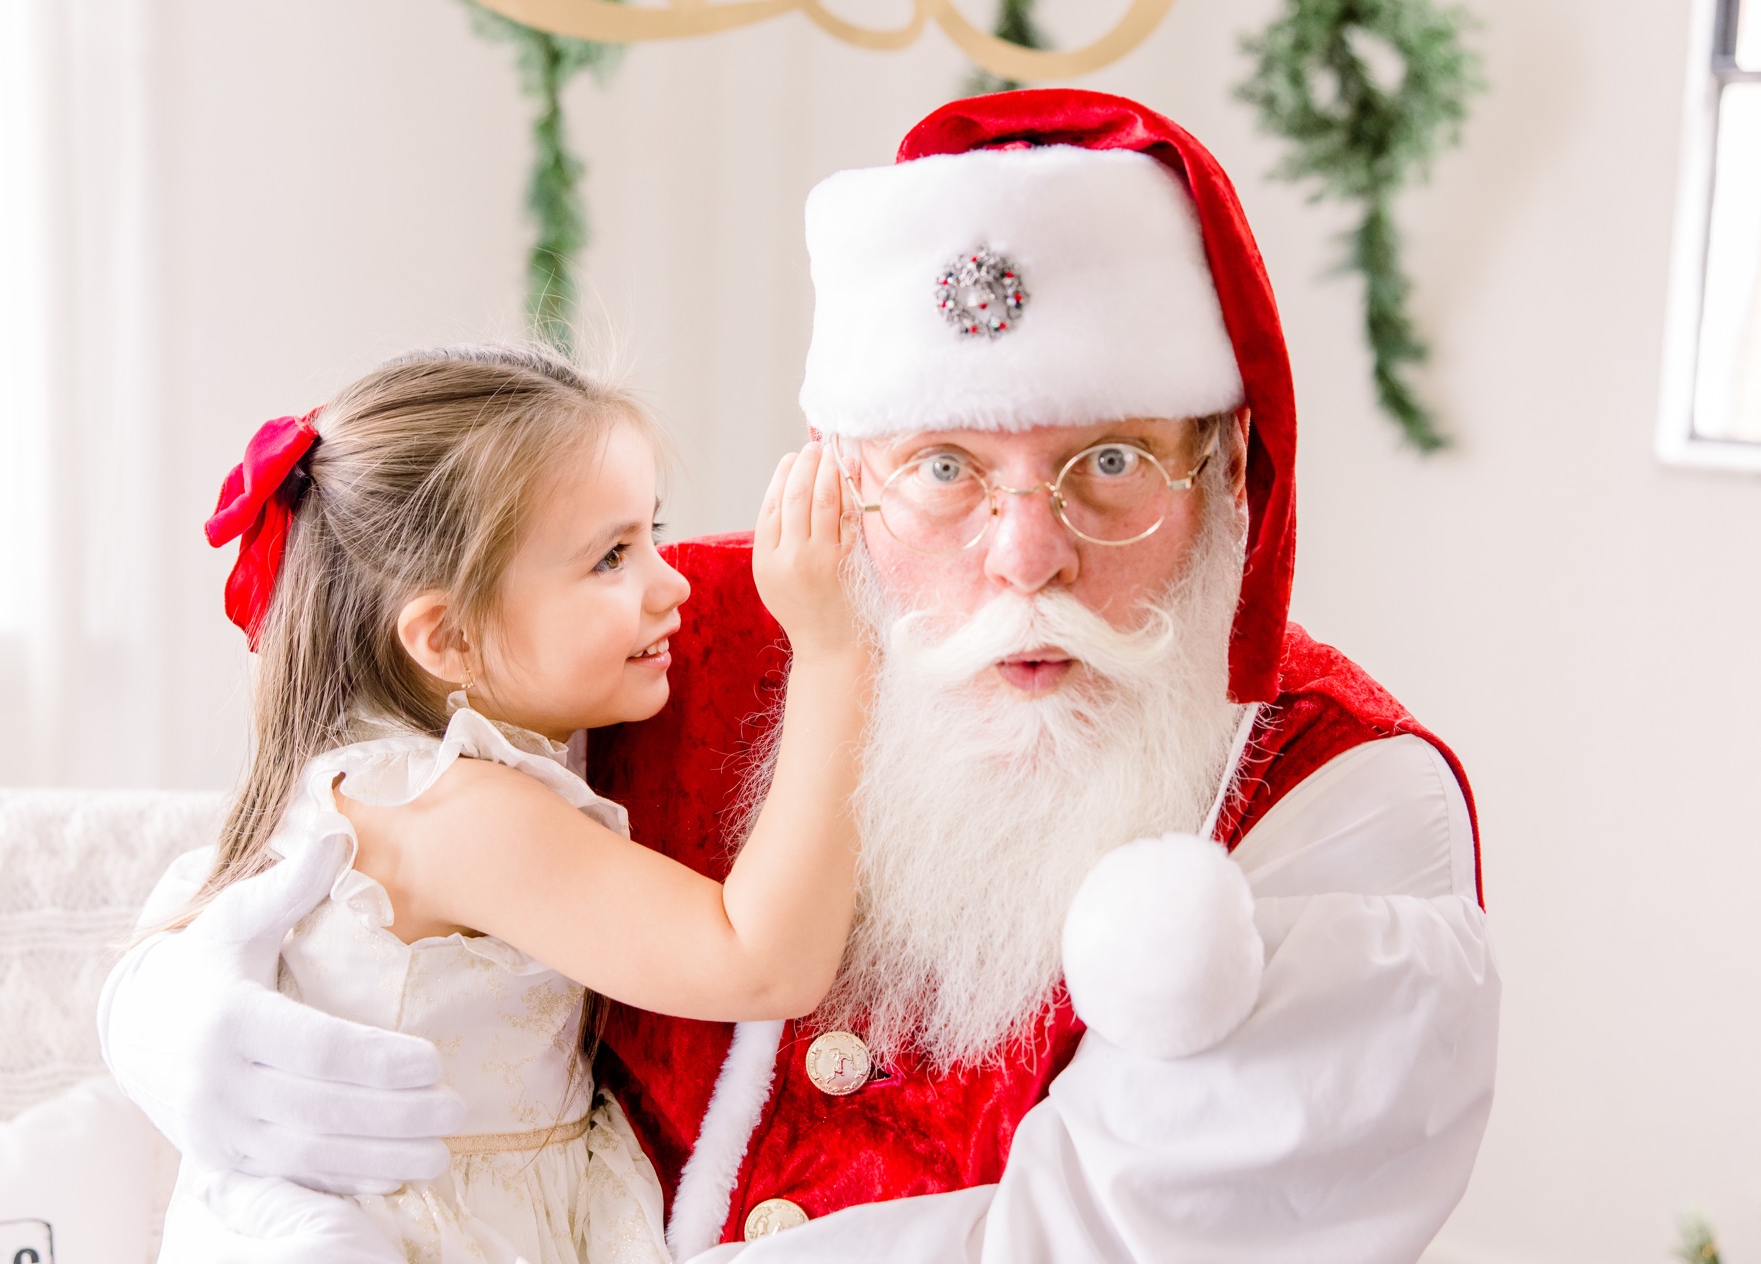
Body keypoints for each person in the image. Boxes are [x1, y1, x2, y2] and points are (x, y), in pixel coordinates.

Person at [101, 90, 1499, 1262]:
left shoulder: (1340, 800)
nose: (1026, 556)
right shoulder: (662, 628)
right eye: (944, 470)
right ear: (847, 475)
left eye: (1112, 465)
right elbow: (332, 815)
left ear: (1232, 469)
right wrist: (156, 1003)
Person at [145, 344, 872, 1263]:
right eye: (611, 557)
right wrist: (835, 654)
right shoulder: (456, 813)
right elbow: (765, 962)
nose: (672, 584)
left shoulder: (368, 778)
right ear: (446, 637)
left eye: (652, 531)